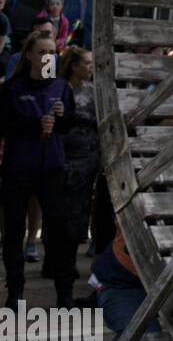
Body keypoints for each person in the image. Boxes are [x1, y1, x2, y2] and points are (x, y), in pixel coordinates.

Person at [0, 31, 75, 306]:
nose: (48, 57)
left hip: (52, 168)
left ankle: (64, 293)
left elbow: (69, 123)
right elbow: (4, 125)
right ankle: (15, 292)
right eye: (42, 52)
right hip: (19, 168)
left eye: (52, 52)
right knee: (14, 231)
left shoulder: (62, 87)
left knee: (59, 231)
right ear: (29, 55)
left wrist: (61, 118)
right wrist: (34, 125)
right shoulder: (12, 88)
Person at [45, 46, 99, 305]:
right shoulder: (61, 89)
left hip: (90, 163)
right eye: (86, 63)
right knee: (61, 223)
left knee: (78, 222)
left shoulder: (93, 91)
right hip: (65, 163)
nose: (90, 67)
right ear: (74, 65)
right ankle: (60, 280)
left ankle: (65, 273)